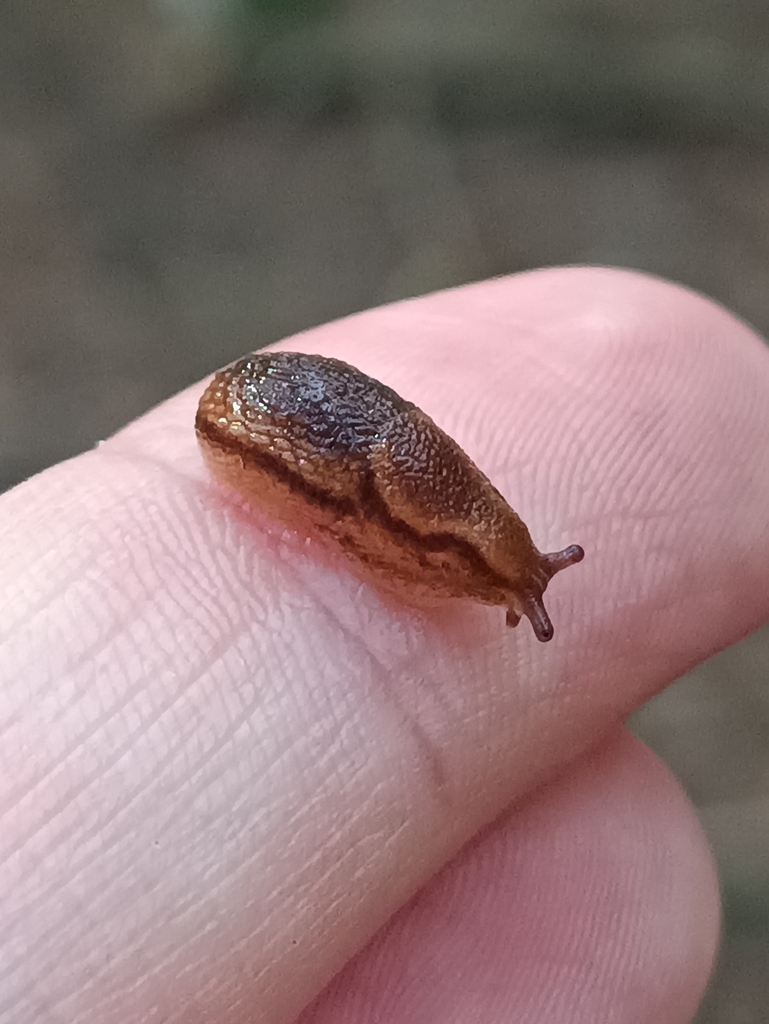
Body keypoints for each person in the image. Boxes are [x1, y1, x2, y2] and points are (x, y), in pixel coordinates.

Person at [2, 267, 767, 1023]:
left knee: (468, 538)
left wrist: (502, 567)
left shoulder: (416, 486)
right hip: (263, 410)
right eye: (491, 567)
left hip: (339, 431)